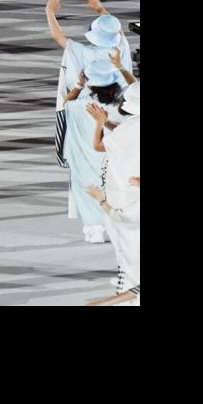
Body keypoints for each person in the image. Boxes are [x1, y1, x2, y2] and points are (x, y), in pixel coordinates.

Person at [85, 77, 139, 305]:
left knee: (127, 241)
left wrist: (99, 122)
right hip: (131, 191)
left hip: (125, 193)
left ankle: (126, 285)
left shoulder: (130, 128)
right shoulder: (130, 128)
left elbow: (98, 145)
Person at [59, 59, 121, 243]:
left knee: (89, 188)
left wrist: (79, 84)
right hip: (116, 167)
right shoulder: (123, 108)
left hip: (86, 166)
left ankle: (96, 228)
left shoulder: (81, 106)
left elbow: (65, 103)